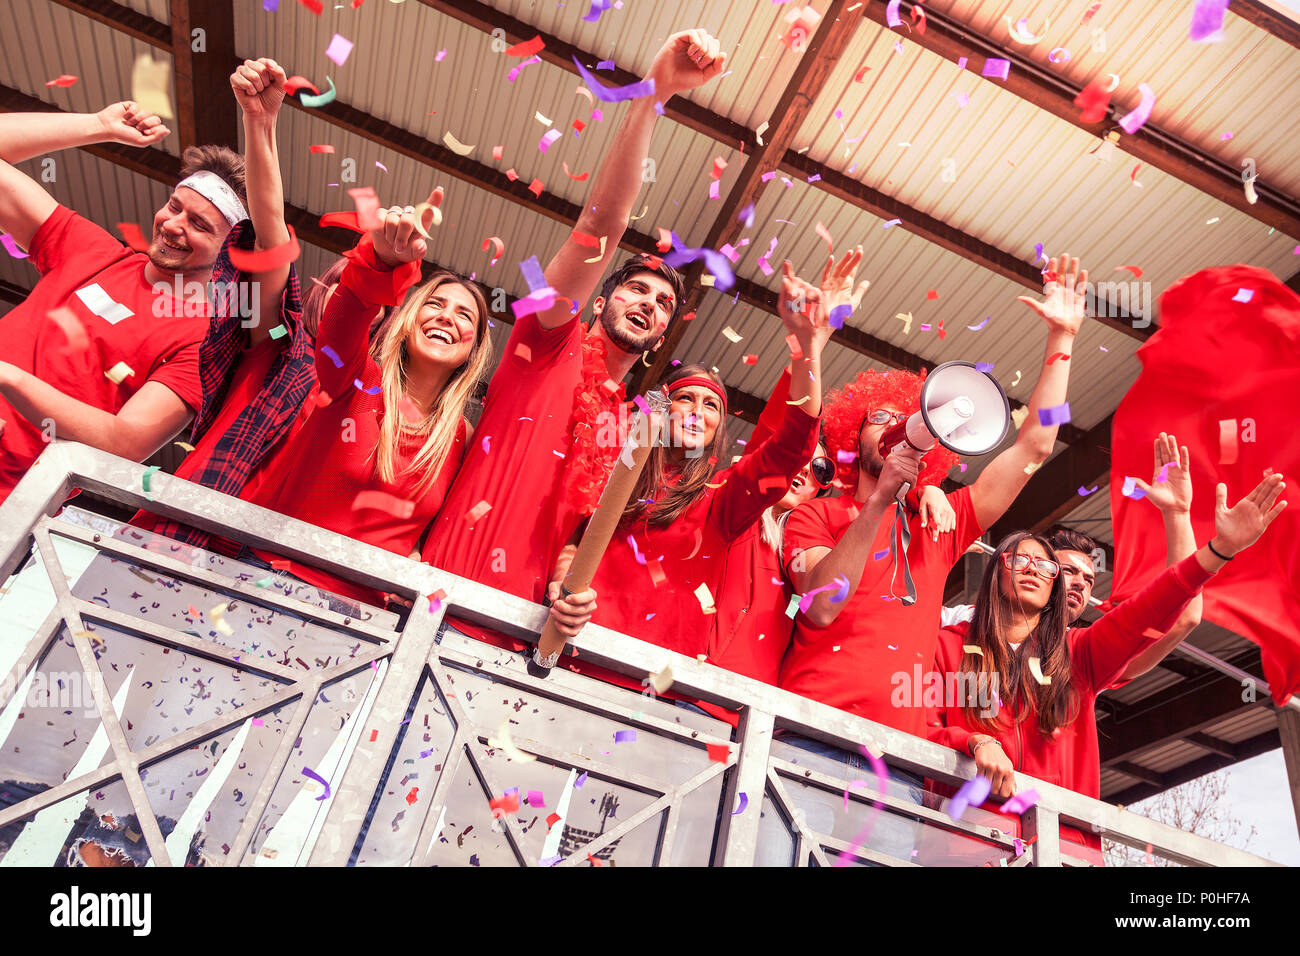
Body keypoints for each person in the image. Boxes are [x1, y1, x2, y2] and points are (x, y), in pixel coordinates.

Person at [772, 254, 1092, 860]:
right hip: (805, 737)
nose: (896, 427)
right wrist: (882, 502)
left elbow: (1036, 445)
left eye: (907, 417)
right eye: (880, 419)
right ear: (850, 437)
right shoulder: (818, 515)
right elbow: (818, 608)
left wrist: (1062, 339)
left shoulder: (940, 528)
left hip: (897, 765)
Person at [421, 29, 727, 648]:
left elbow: (579, 536)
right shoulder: (546, 340)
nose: (650, 304)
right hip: (440, 600)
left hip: (524, 641)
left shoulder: (630, 424)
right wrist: (655, 95)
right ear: (602, 298)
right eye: (637, 290)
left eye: (665, 305)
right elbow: (600, 226)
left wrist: (571, 588)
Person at [925, 470, 1286, 864]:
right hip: (968, 849)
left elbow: (1153, 612)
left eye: (1047, 568)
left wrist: (1217, 551)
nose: (1034, 569)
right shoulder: (945, 645)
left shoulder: (1080, 655)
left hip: (1065, 854)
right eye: (1021, 559)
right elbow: (919, 729)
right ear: (997, 571)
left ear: (1053, 591)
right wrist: (975, 740)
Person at [566, 259, 830, 679]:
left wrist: (806, 349)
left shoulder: (721, 501)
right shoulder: (611, 468)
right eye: (685, 398)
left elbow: (791, 445)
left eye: (710, 406)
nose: (696, 411)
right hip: (575, 657)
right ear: (660, 411)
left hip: (651, 689)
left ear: (718, 431)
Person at [240, 200, 492, 607]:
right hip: (271, 581)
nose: (447, 317)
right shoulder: (358, 379)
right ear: (408, 321)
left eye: (465, 315)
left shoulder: (462, 438)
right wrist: (382, 261)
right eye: (434, 303)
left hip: (367, 627)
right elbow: (346, 314)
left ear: (474, 349)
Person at [0, 101, 248, 502]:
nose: (173, 225)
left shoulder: (202, 341)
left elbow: (125, 443)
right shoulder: (94, 251)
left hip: (10, 499)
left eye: (200, 225)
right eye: (174, 206)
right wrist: (95, 125)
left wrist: (8, 378)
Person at [133, 58, 315, 551]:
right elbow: (272, 234)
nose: (354, 298)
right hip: (178, 546)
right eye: (342, 284)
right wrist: (261, 123)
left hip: (283, 595)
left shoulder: (379, 428)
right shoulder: (281, 351)